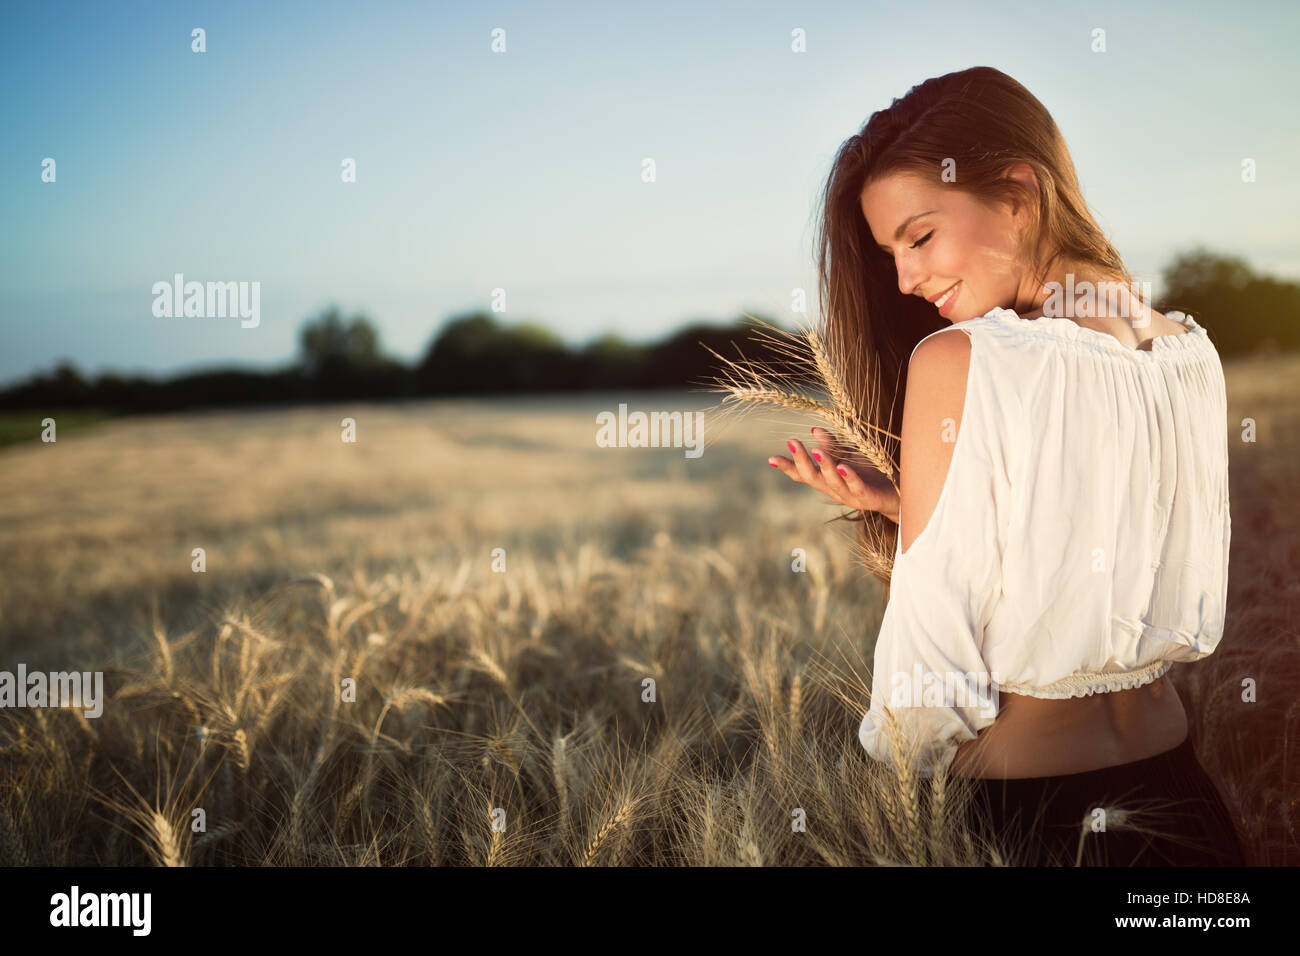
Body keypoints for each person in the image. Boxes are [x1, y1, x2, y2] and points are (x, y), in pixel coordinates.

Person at [767, 66, 1246, 866]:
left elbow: (929, 665)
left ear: (1018, 193)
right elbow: (1103, 532)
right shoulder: (1188, 351)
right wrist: (914, 506)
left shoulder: (962, 357)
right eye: (890, 253)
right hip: (1182, 803)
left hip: (1025, 822)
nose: (904, 279)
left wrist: (893, 795)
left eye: (918, 237)